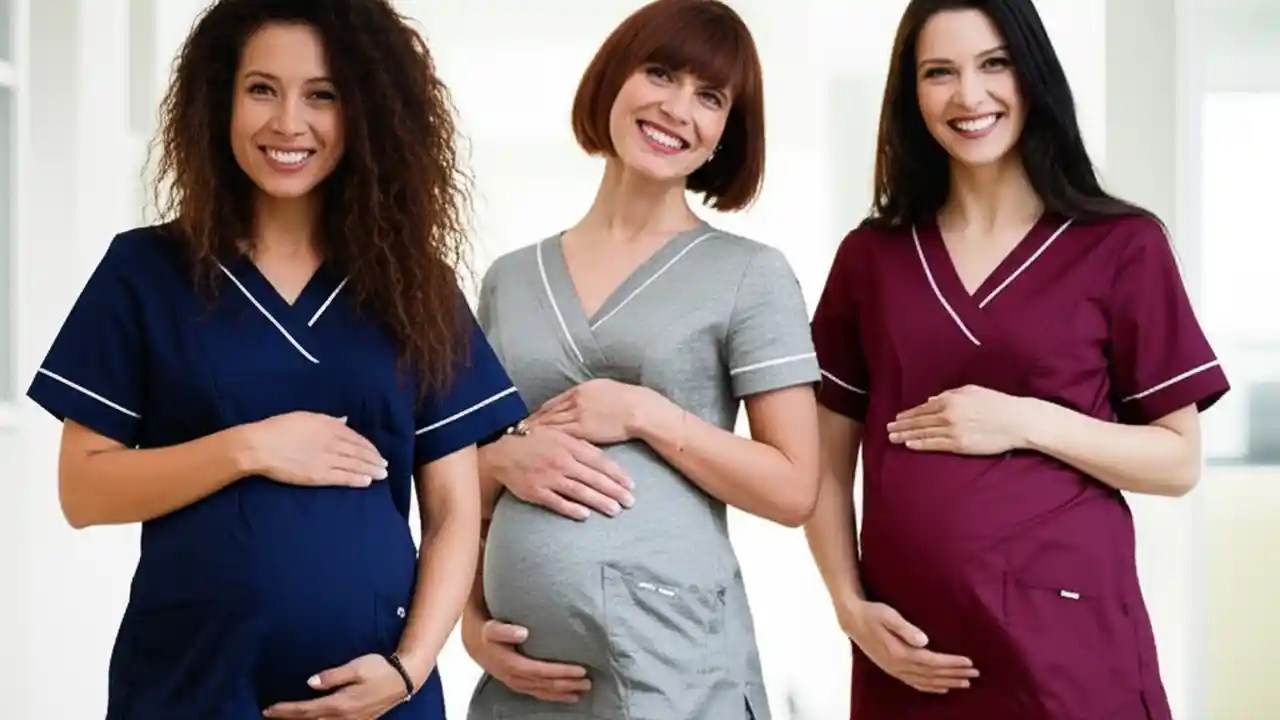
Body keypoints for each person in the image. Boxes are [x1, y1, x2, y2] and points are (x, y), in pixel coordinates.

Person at [24, 1, 526, 717]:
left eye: (322, 95)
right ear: (219, 101)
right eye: (262, 88)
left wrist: (409, 669)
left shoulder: (417, 287)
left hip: (380, 701)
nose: (288, 123)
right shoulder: (145, 272)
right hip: (189, 688)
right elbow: (83, 490)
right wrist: (251, 447)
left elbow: (453, 511)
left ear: (368, 112)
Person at [803, 1, 1230, 718]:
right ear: (911, 95)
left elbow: (1177, 460)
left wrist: (1026, 421)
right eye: (940, 72)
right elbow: (823, 460)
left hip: (1067, 648)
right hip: (910, 654)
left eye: (994, 64)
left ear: (1032, 74)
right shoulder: (871, 259)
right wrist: (849, 606)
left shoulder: (1121, 246)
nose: (969, 96)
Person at [459, 1, 821, 718]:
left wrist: (646, 414)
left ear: (726, 134)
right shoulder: (510, 278)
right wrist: (471, 619)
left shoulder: (749, 274)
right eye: (660, 73)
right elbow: (459, 479)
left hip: (675, 667)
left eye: (710, 97)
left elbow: (792, 489)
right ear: (614, 80)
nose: (677, 108)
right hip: (526, 679)